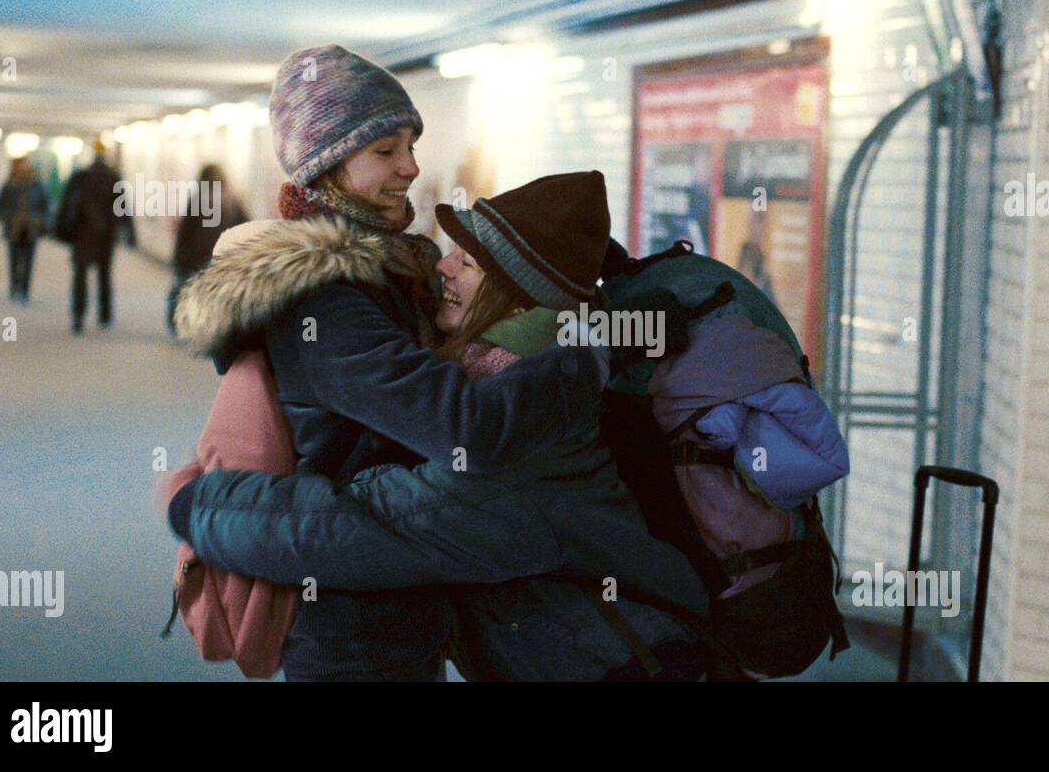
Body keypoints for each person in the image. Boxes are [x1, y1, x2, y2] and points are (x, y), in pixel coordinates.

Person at [169, 44, 611, 681]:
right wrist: (583, 363)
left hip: (395, 593)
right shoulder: (325, 300)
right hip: (351, 616)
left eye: (411, 145)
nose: (410, 166)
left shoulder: (392, 273)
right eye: (385, 150)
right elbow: (463, 428)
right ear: (326, 166)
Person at [170, 171, 710, 681]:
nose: (444, 267)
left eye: (468, 263)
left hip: (626, 663)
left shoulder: (513, 435)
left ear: (517, 304)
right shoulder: (519, 371)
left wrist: (203, 507)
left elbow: (359, 526)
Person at [57, 139, 136, 334]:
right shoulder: (113, 178)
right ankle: (104, 315)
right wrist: (130, 233)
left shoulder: (80, 177)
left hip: (82, 234)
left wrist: (61, 230)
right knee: (104, 275)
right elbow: (122, 207)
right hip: (106, 236)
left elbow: (65, 205)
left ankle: (78, 316)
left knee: (80, 275)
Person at [167, 164, 248, 336]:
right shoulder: (233, 201)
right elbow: (245, 228)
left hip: (196, 258)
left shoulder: (198, 199)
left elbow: (185, 233)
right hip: (224, 258)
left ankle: (183, 327)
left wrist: (179, 258)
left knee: (188, 293)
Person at [0, 157, 47, 304]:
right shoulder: (9, 185)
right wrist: (8, 218)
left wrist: (40, 220)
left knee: (29, 261)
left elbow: (44, 205)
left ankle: (25, 289)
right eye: (21, 166)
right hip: (14, 229)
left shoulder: (37, 185)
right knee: (14, 260)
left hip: (31, 229)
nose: (23, 168)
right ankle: (14, 287)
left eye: (25, 165)